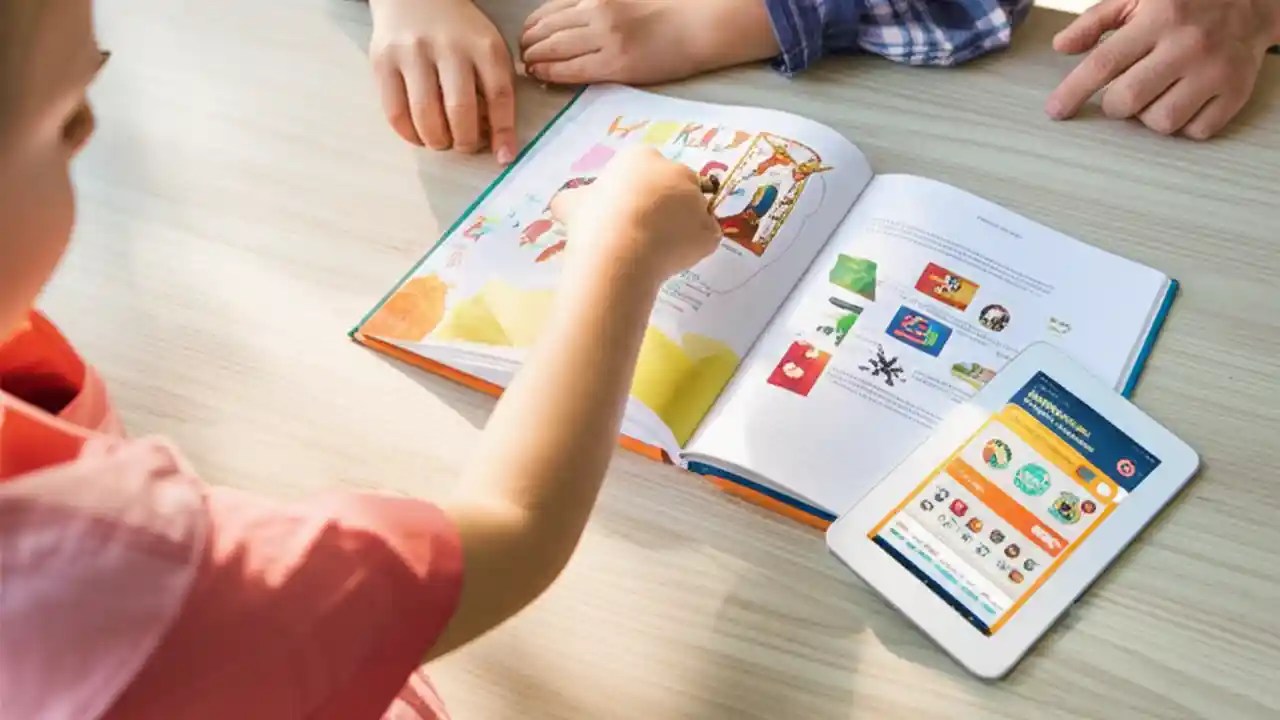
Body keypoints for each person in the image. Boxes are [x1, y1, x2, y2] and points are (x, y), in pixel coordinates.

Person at [0, 1, 721, 718]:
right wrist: (621, 247)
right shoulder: (111, 581)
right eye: (65, 118)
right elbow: (510, 529)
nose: (92, 131)